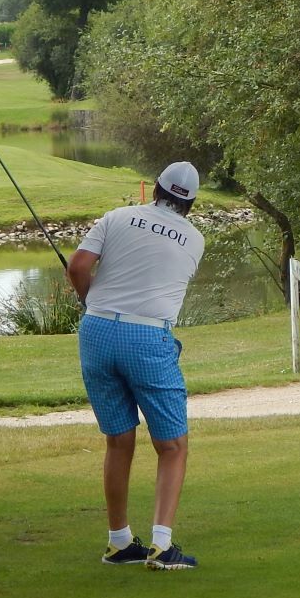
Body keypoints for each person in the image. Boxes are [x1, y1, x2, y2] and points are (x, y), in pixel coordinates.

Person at [68, 161, 206, 570]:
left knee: (118, 440)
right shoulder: (195, 240)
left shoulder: (117, 216)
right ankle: (162, 547)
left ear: (156, 189)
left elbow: (78, 267)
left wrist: (91, 301)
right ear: (191, 204)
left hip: (95, 333)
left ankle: (119, 542)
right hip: (147, 337)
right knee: (172, 446)